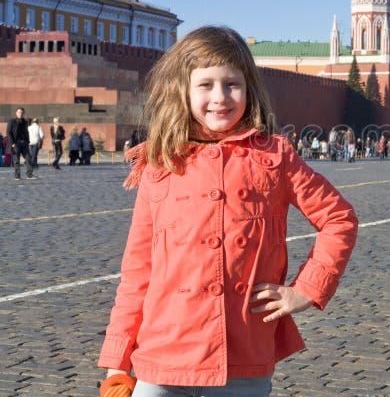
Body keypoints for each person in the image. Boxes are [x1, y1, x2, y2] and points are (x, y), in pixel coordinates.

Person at [97, 26, 358, 397]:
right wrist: (117, 363)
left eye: (231, 84)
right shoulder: (160, 164)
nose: (220, 97)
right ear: (183, 90)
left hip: (242, 354)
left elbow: (339, 218)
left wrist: (307, 289)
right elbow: (138, 271)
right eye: (205, 85)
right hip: (164, 353)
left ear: (249, 88)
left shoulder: (274, 157)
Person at [6, 107, 34, 179]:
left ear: (23, 113)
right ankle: (17, 176)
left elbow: (26, 132)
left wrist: (28, 141)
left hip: (24, 143)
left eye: (21, 112)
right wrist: (12, 143)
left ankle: (29, 175)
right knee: (16, 160)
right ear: (16, 113)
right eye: (19, 112)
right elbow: (8, 132)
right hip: (15, 143)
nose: (20, 114)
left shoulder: (25, 121)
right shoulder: (12, 121)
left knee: (28, 158)